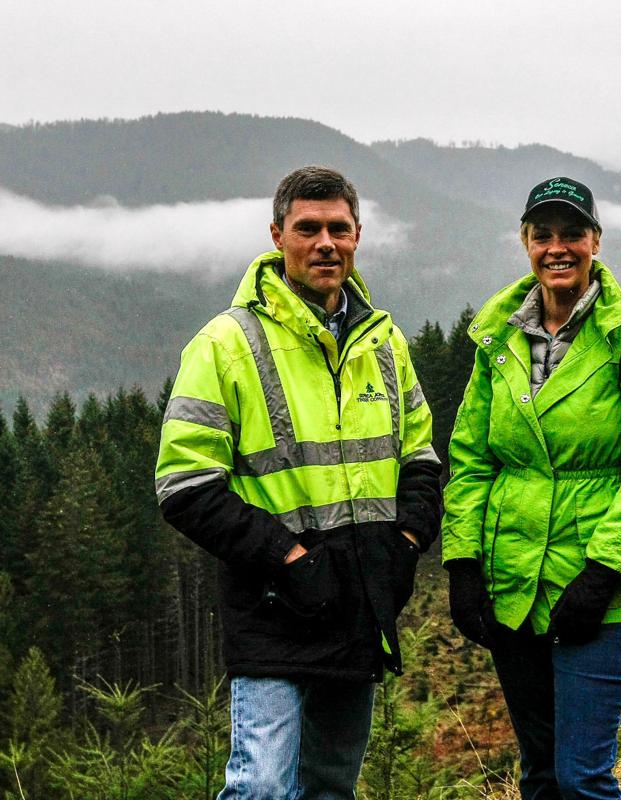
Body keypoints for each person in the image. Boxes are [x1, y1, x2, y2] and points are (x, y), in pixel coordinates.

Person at [155, 166, 442, 799]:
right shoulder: (226, 344)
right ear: (277, 235)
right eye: (308, 228)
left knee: (331, 786)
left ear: (358, 235)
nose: (325, 244)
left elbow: (420, 459)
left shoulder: (385, 343)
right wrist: (288, 558)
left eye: (338, 229)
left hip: (360, 603)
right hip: (272, 609)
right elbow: (184, 484)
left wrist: (406, 547)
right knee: (260, 787)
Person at [441, 176, 621, 799]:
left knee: (582, 778)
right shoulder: (498, 340)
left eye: (572, 233)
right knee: (542, 774)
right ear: (525, 242)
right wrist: (463, 563)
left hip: (597, 594)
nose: (558, 247)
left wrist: (602, 573)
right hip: (513, 586)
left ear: (595, 242)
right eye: (543, 234)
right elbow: (471, 459)